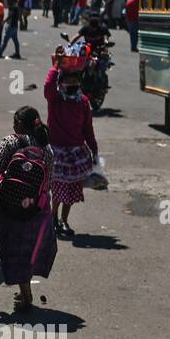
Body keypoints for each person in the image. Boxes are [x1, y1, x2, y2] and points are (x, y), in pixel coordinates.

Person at [0, 106, 57, 311]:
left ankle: (26, 293)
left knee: (12, 249)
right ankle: (25, 291)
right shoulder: (46, 148)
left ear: (19, 124)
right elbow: (50, 180)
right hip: (36, 207)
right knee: (29, 248)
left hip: (9, 206)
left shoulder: (11, 142)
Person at [44, 56, 99, 236]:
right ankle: (53, 217)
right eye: (68, 79)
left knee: (73, 190)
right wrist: (55, 67)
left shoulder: (82, 102)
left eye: (75, 79)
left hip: (76, 153)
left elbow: (88, 128)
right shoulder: (55, 99)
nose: (72, 82)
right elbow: (47, 88)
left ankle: (64, 220)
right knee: (59, 189)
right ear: (61, 81)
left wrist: (94, 149)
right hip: (58, 152)